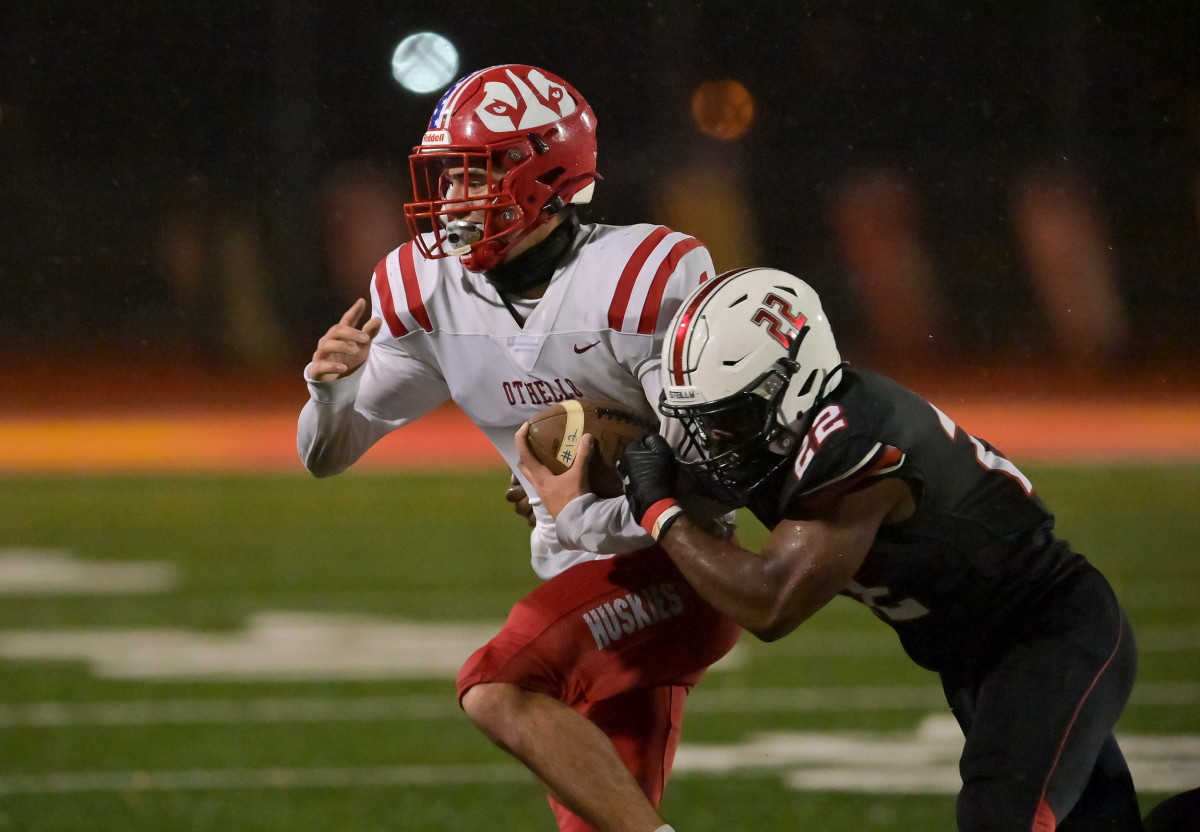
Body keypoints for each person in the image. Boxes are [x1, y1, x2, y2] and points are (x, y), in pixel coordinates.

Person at [518, 266, 1144, 831]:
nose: (712, 438)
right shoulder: (781, 430)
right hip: (975, 653)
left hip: (1046, 631)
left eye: (729, 417)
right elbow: (677, 493)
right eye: (704, 418)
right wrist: (577, 491)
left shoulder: (854, 440)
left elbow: (769, 604)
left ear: (796, 381)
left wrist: (657, 506)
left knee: (1001, 815)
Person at [298, 64, 741, 832]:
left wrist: (592, 500)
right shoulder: (424, 286)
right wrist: (329, 390)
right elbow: (324, 454)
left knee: (498, 682)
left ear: (544, 173)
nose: (454, 198)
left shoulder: (641, 280)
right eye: (448, 176)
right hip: (584, 573)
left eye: (476, 173)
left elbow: (719, 475)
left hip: (677, 569)